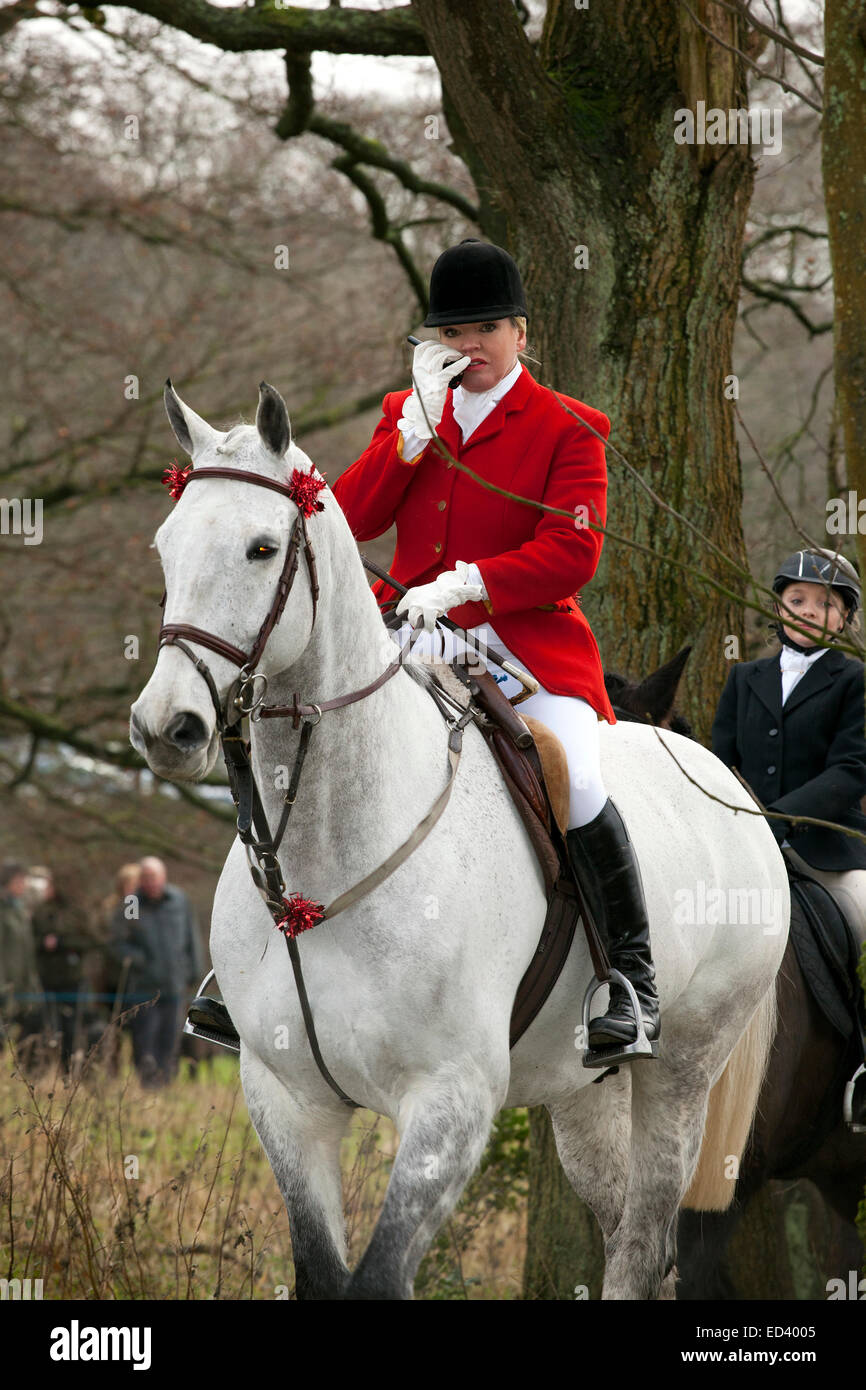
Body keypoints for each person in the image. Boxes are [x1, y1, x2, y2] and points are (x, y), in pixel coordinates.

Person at [329, 237, 660, 1054]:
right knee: (307, 733)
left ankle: (630, 981)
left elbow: (574, 551)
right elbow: (348, 522)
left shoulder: (570, 427)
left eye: (482, 330)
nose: (465, 347)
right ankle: (259, 957)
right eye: (449, 333)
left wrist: (472, 584)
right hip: (406, 635)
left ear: (519, 331)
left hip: (522, 648)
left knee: (576, 778)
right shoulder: (405, 417)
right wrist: (406, 438)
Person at [711, 548, 866, 942]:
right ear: (779, 609)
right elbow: (720, 762)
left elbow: (851, 770)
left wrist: (779, 819)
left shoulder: (856, 679)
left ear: (845, 616)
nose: (808, 611)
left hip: (827, 847)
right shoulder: (743, 678)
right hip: (741, 842)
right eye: (797, 600)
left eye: (825, 603)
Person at [109, 856, 204, 1086]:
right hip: (144, 988)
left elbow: (191, 937)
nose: (151, 882)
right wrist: (139, 960)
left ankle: (167, 1084)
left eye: (154, 877)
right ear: (140, 880)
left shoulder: (179, 901)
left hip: (175, 985)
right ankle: (148, 1086)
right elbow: (120, 941)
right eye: (146, 878)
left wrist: (194, 969)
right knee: (146, 1040)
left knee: (170, 1039)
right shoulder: (132, 903)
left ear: (164, 877)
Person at [0, 862, 42, 1043]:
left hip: (22, 986)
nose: (22, 885)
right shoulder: (3, 912)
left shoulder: (20, 910)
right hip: (5, 986)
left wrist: (32, 984)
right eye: (18, 881)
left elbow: (27, 952)